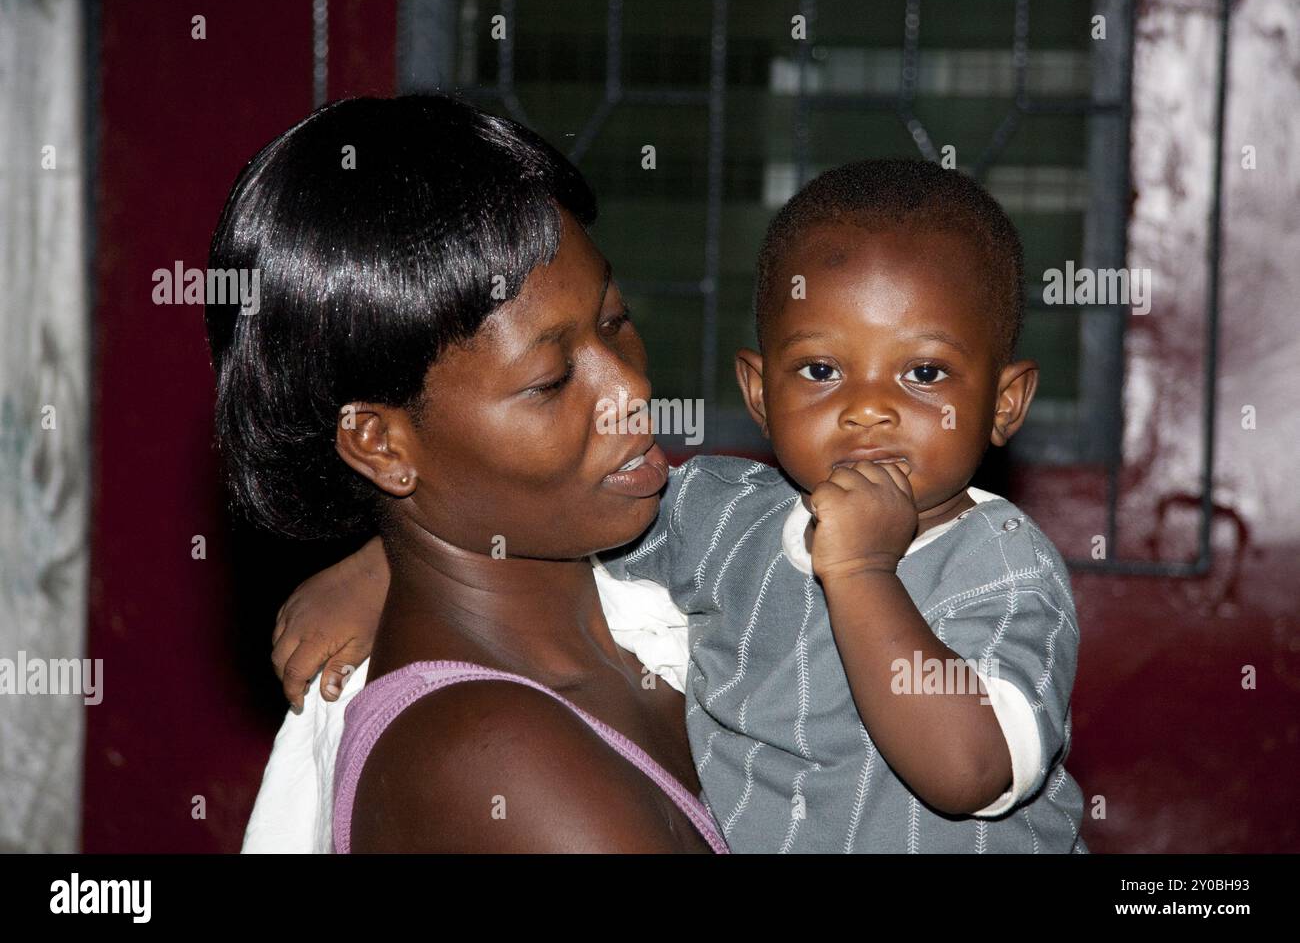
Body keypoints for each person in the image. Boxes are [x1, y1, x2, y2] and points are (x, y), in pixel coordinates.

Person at [278, 158, 1087, 853]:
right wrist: (381, 563)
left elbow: (968, 772)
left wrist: (862, 571)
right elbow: (531, 528)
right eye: (819, 372)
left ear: (1005, 403)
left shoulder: (1001, 564)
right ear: (758, 393)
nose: (867, 409)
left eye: (924, 374)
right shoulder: (721, 515)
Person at [208, 94, 727, 853]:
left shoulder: (663, 608)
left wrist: (382, 561)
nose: (630, 391)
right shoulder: (498, 766)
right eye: (550, 381)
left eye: (614, 321)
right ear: (383, 448)